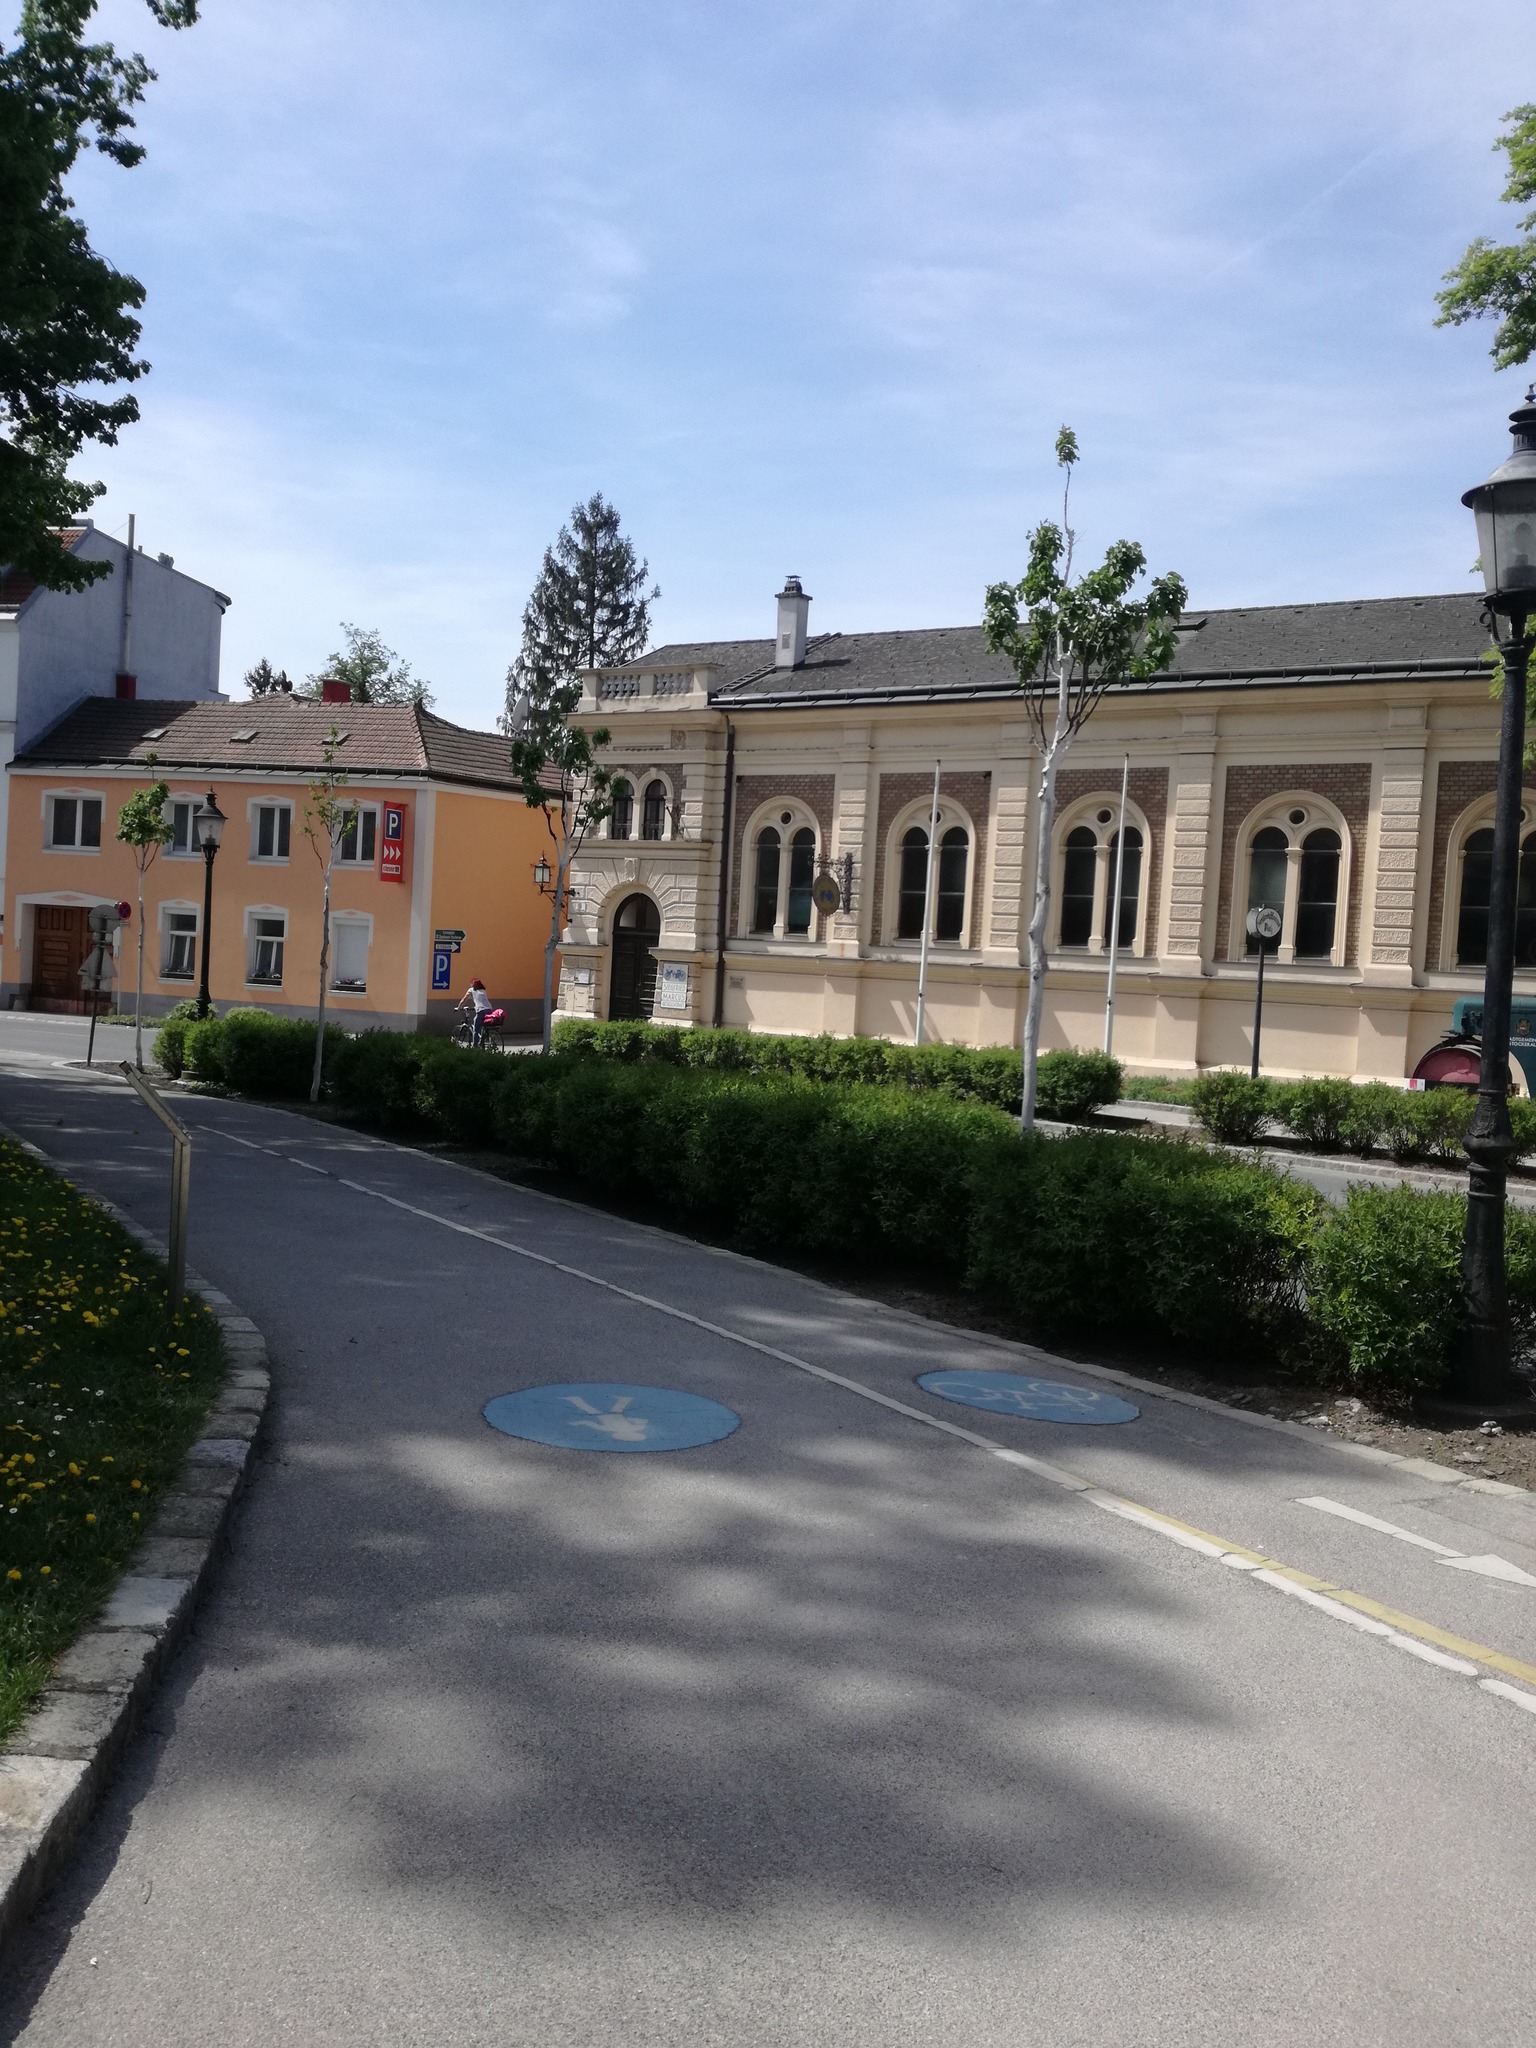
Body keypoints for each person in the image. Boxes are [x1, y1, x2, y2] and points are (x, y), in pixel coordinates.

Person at [458, 977, 493, 1047]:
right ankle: (482, 1041)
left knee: (476, 1030)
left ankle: (475, 1047)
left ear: (473, 985)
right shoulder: (483, 990)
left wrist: (459, 1007)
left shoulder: (471, 990)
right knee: (483, 1025)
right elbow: (482, 1001)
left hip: (481, 1010)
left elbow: (464, 999)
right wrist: (475, 1007)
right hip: (489, 1009)